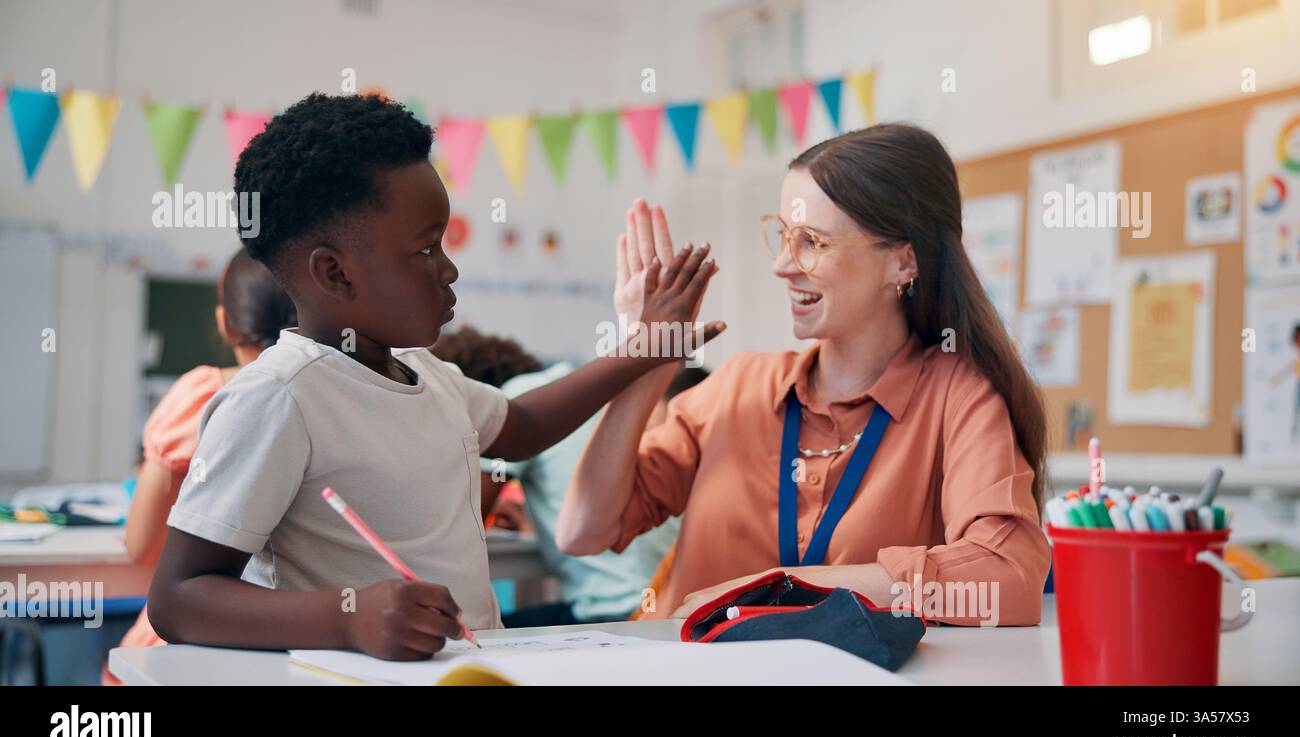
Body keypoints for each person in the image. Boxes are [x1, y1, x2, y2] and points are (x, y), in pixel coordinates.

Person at [146, 93, 722, 661]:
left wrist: (641, 350)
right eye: (425, 249)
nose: (449, 268)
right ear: (335, 273)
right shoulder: (278, 397)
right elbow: (178, 600)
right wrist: (348, 619)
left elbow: (519, 425)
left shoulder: (422, 372)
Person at [558, 124, 1051, 626]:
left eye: (812, 241)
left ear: (904, 262)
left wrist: (775, 591)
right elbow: (583, 532)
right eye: (783, 236)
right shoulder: (738, 385)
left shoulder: (958, 396)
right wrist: (646, 359)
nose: (782, 265)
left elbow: (1006, 578)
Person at [103, 249, 295, 685]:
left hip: (190, 631)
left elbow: (138, 545)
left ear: (226, 322)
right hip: (294, 640)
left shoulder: (197, 395)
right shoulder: (328, 392)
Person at [432, 326, 693, 626]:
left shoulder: (515, 397)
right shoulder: (590, 392)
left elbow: (466, 519)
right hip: (676, 604)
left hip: (616, 614)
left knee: (469, 632)